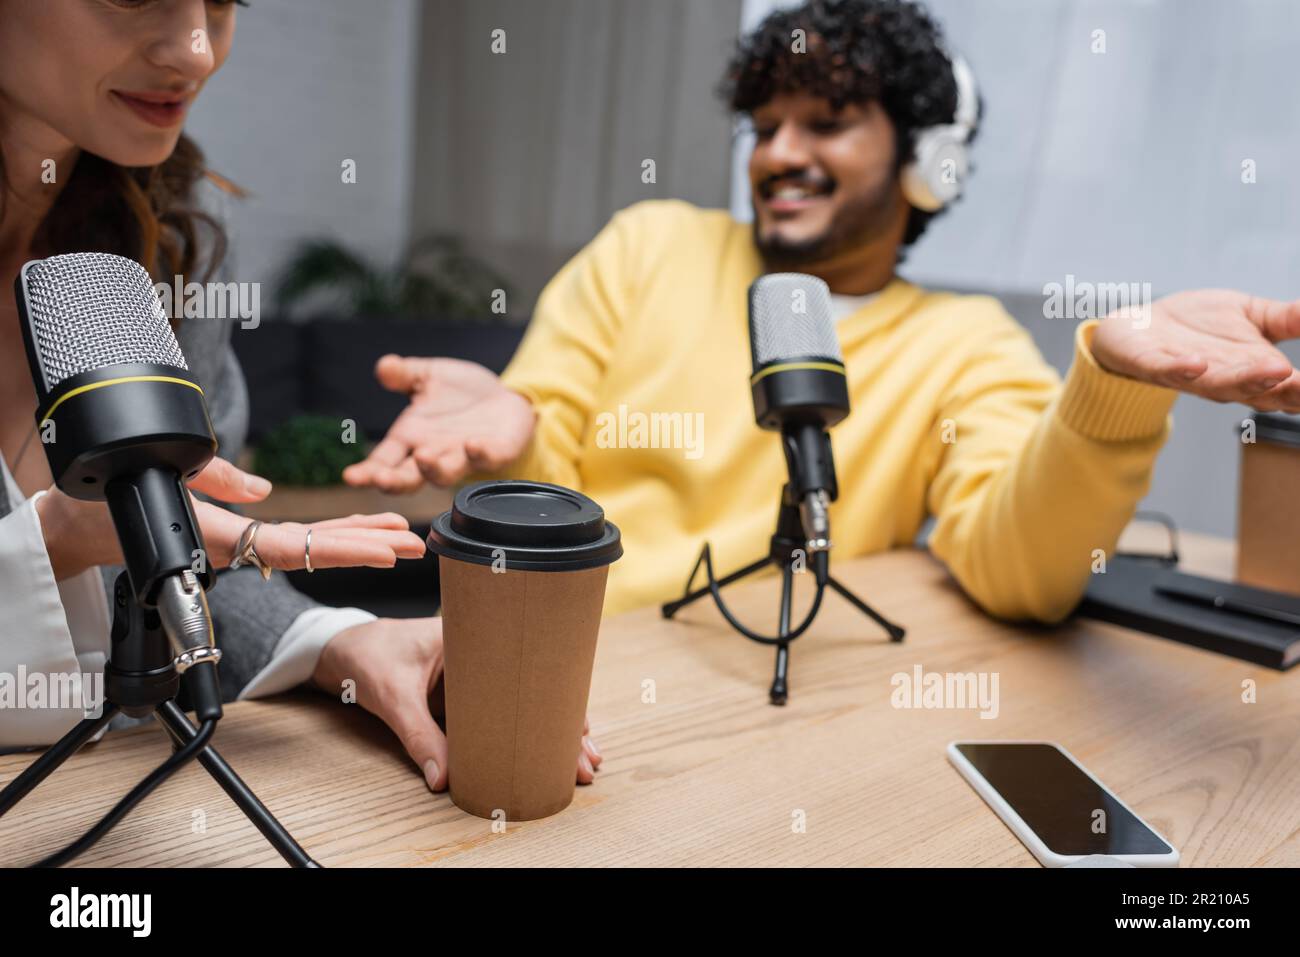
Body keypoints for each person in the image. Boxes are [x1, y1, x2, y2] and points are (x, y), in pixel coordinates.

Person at [346, 0, 1300, 622]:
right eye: (764, 127)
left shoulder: (963, 345)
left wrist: (1114, 386)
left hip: (774, 689)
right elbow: (553, 487)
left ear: (931, 161)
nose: (775, 154)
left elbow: (1023, 570)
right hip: (574, 645)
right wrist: (515, 442)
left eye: (826, 122)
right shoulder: (650, 244)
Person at [0, 0, 600, 790]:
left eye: (223, 1)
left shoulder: (179, 230)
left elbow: (189, 562)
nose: (197, 52)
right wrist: (52, 544)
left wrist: (339, 641)